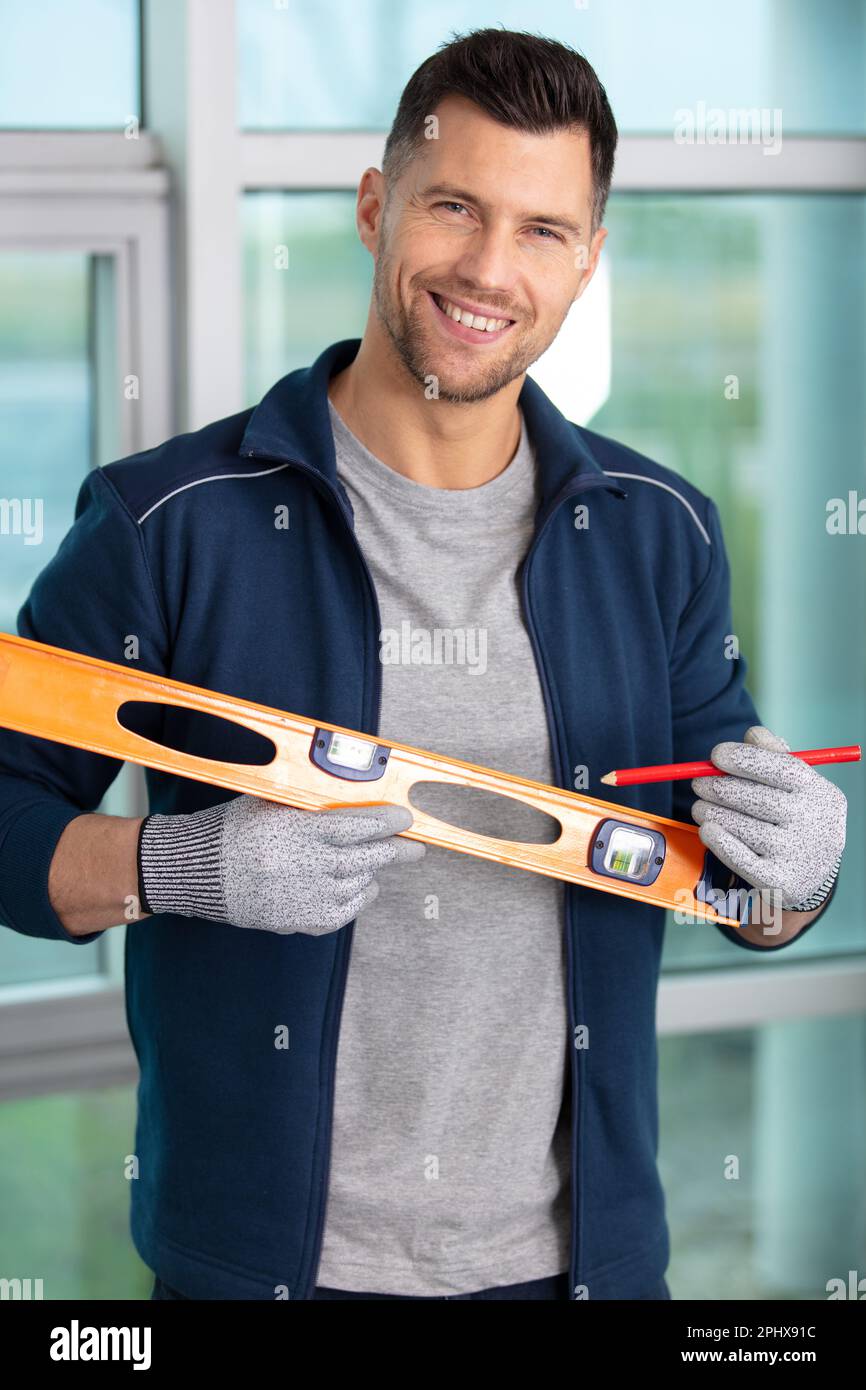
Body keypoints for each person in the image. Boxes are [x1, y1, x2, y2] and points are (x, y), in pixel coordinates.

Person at [0, 29, 846, 1302]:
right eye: (454, 207)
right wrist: (184, 866)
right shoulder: (168, 523)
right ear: (373, 207)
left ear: (587, 260)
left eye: (541, 230)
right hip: (266, 1275)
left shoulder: (657, 531)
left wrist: (794, 879)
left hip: (583, 1273)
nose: (488, 269)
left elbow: (722, 875)